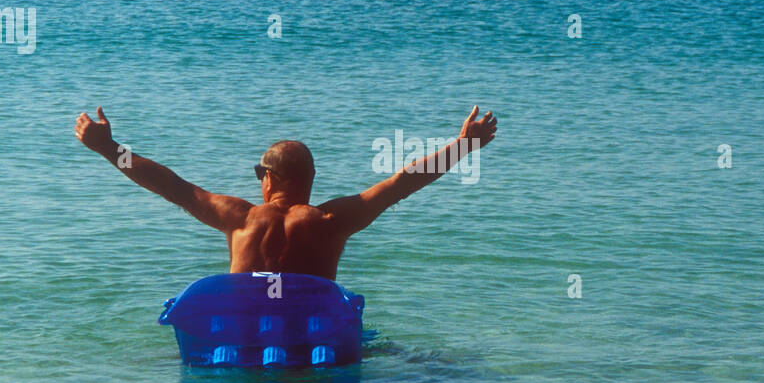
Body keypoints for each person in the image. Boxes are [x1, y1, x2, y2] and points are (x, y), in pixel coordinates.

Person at [74, 106, 498, 281]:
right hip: (310, 340)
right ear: (309, 179)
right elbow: (403, 182)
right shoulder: (331, 222)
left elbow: (172, 186)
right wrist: (463, 146)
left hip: (243, 338)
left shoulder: (240, 218)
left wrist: (109, 149)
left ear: (269, 178)